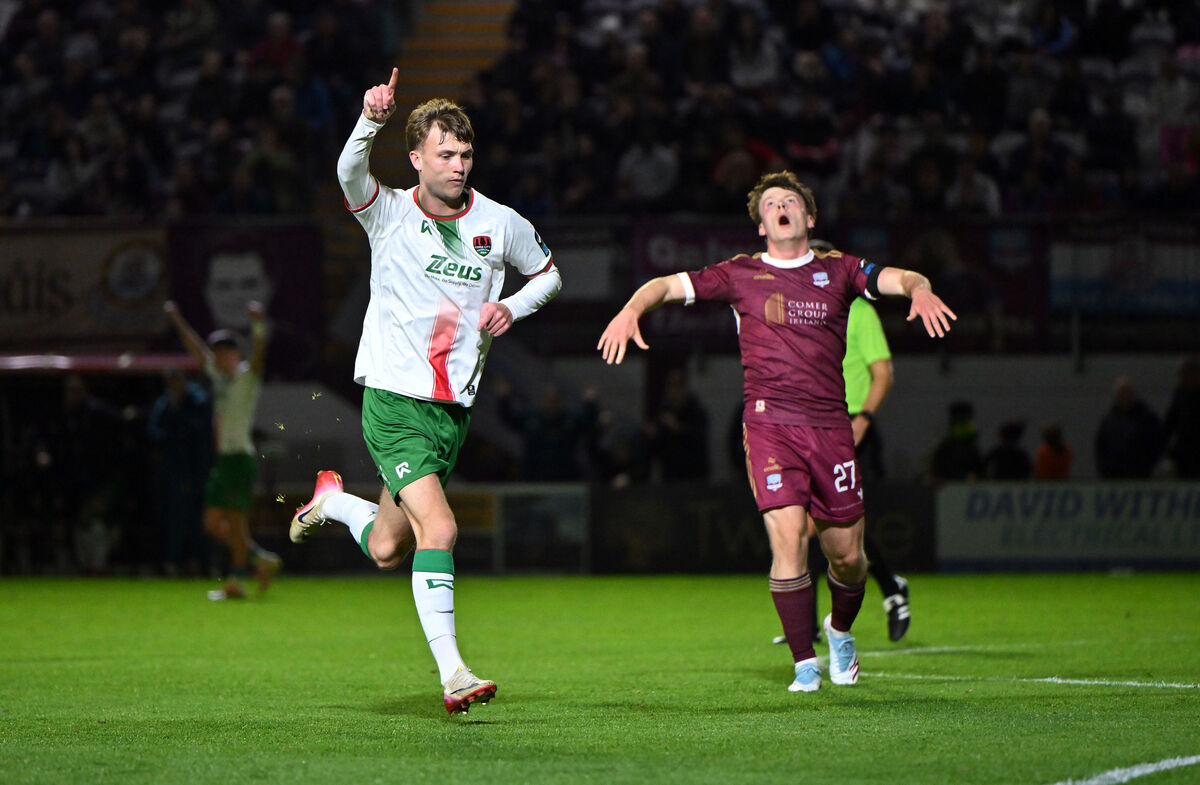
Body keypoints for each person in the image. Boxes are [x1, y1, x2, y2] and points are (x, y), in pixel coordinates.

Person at [598, 170, 955, 693]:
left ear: (809, 219)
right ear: (762, 225)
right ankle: (804, 664)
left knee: (848, 557)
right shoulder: (740, 274)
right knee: (787, 543)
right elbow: (665, 285)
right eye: (770, 204)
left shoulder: (840, 271)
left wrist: (920, 291)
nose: (780, 207)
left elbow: (902, 278)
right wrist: (632, 309)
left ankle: (839, 630)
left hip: (831, 427)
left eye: (790, 201)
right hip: (769, 426)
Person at [287, 71, 562, 715]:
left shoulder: (500, 222)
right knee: (439, 525)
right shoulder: (389, 214)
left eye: (466, 154)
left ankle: (330, 502)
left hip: (451, 412)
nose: (458, 164)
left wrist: (514, 308)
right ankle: (454, 672)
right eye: (445, 153)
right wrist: (368, 120)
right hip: (393, 399)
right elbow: (349, 176)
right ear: (417, 158)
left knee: (387, 546)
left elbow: (549, 275)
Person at [164, 299, 282, 600]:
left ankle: (236, 583)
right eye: (214, 353)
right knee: (213, 523)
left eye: (222, 353)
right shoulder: (219, 377)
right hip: (225, 460)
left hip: (240, 459)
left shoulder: (246, 378)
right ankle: (260, 560)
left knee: (237, 525)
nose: (216, 358)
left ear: (233, 355)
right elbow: (194, 348)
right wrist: (177, 318)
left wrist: (257, 324)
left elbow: (259, 354)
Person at [146, 368, 213, 576]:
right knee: (172, 519)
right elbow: (153, 432)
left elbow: (197, 433)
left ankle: (200, 564)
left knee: (198, 520)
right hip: (171, 472)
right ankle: (171, 562)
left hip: (196, 471)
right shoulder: (164, 403)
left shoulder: (199, 401)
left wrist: (176, 418)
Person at [1094, 376, 1164, 479]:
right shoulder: (1109, 420)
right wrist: (1105, 469)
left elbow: (1157, 443)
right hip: (1114, 476)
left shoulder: (1147, 417)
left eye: (1127, 393)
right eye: (1121, 393)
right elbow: (1101, 446)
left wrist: (1146, 465)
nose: (1124, 396)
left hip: (1140, 475)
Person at [1163, 357, 1200, 478]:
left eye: (1185, 374)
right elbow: (1170, 424)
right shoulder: (1179, 394)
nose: (1182, 378)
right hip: (1184, 455)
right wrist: (1169, 454)